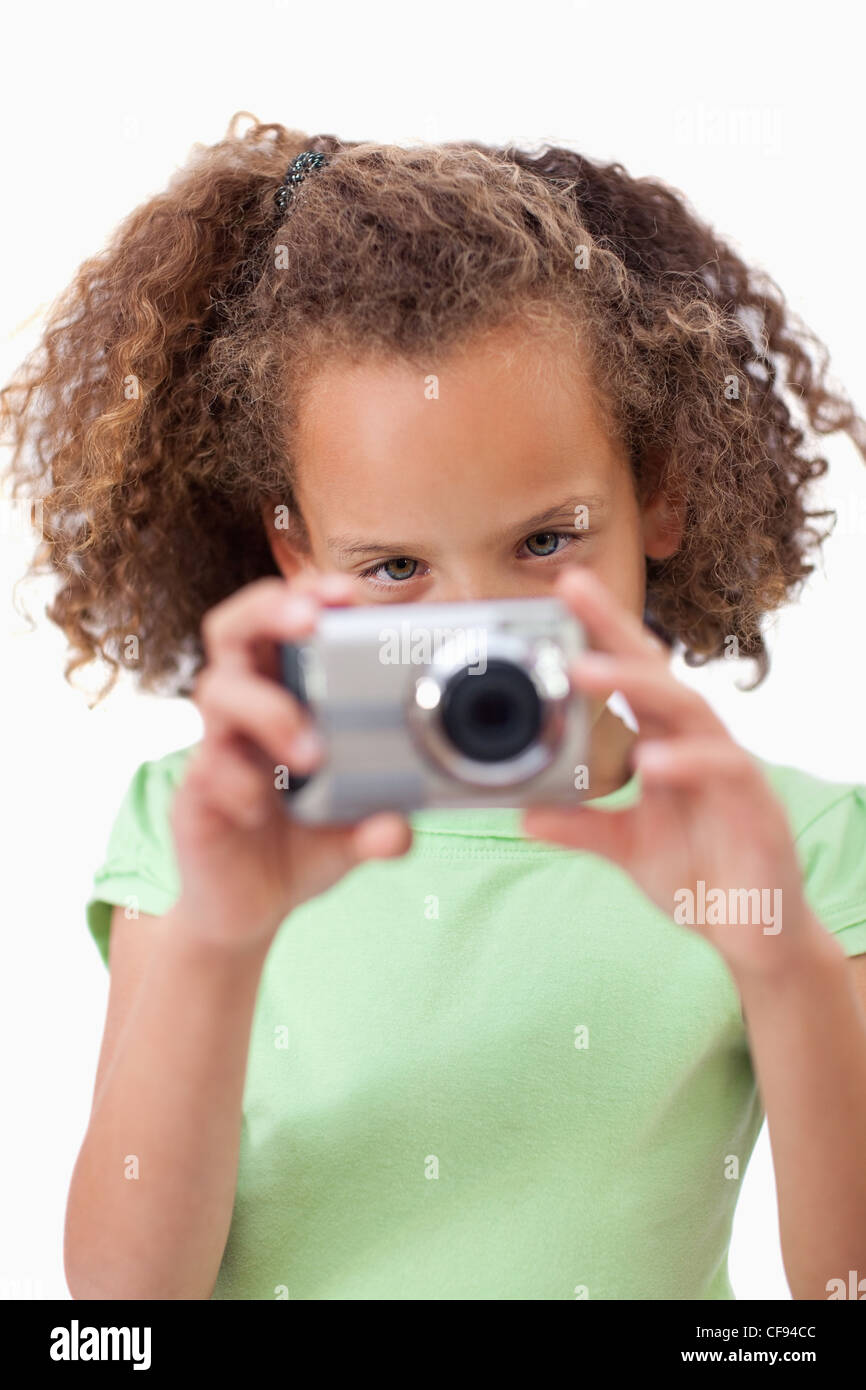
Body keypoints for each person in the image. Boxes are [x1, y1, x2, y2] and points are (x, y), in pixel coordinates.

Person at [4, 113, 866, 1301]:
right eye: (394, 566)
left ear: (658, 491)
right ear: (295, 555)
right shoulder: (206, 828)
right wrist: (216, 943)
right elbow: (120, 1310)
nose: (478, 632)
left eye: (544, 540)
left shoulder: (797, 848)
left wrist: (781, 960)